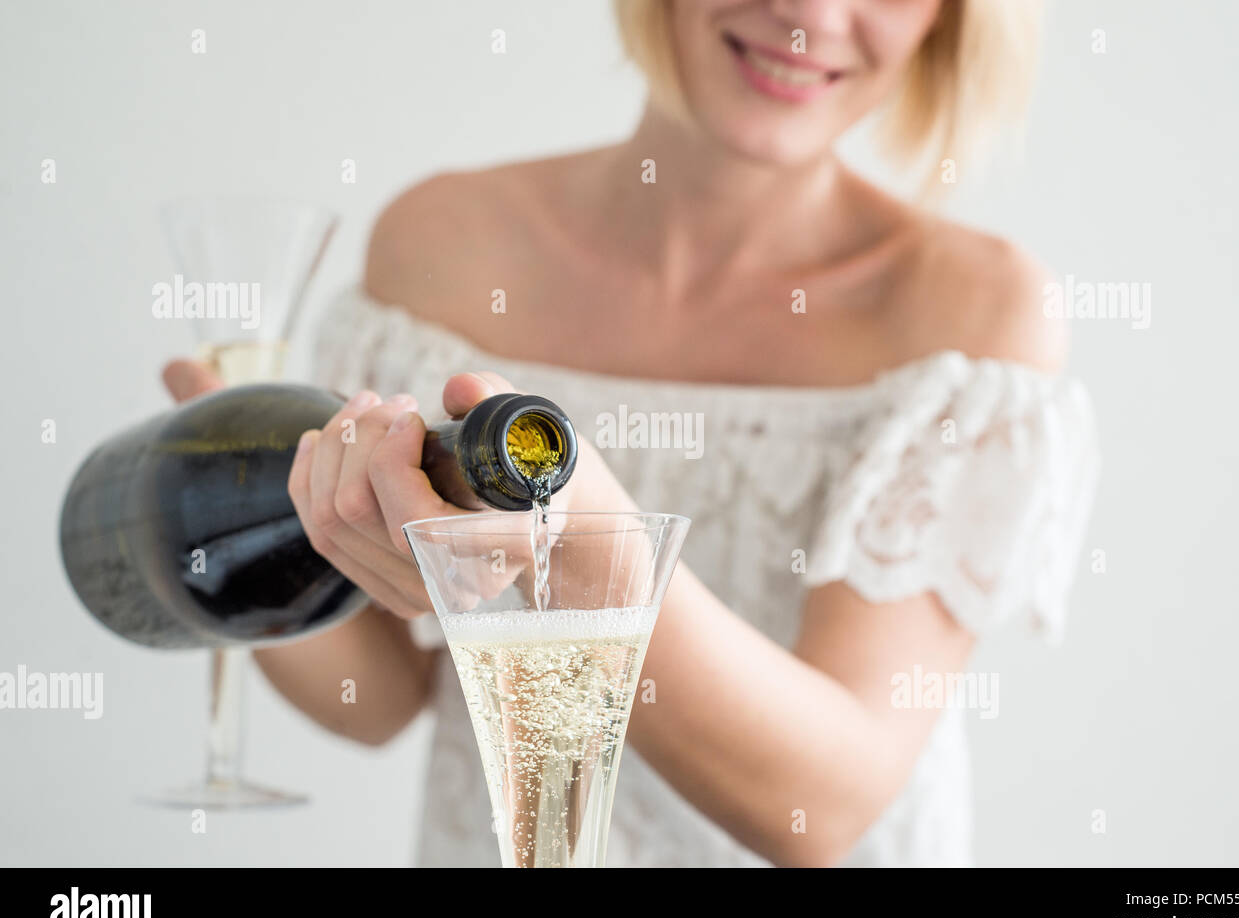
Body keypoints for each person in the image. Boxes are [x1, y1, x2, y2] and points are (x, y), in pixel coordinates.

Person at [165, 0, 1098, 866]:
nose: (811, 15)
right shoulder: (440, 248)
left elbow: (822, 806)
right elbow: (377, 695)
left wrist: (579, 539)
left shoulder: (972, 313)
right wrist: (231, 538)